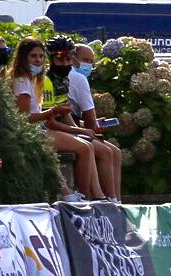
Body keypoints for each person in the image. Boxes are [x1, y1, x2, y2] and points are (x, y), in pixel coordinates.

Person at [9, 37, 104, 200]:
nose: (38, 60)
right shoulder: (22, 81)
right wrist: (51, 112)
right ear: (23, 58)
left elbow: (51, 118)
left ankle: (88, 196)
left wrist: (77, 128)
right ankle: (81, 196)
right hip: (29, 133)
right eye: (33, 56)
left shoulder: (35, 80)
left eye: (40, 56)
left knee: (87, 145)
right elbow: (23, 119)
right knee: (85, 148)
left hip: (40, 129)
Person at [52, 39, 123, 201]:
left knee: (115, 153)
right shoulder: (77, 78)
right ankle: (103, 199)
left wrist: (84, 127)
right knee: (104, 152)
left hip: (66, 127)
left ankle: (112, 200)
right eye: (85, 61)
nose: (89, 65)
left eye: (92, 62)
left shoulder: (62, 78)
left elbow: (67, 116)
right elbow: (86, 121)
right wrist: (88, 128)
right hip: (57, 129)